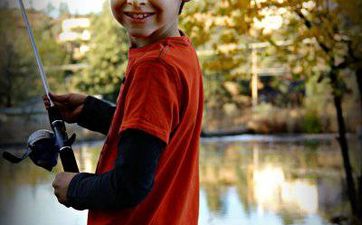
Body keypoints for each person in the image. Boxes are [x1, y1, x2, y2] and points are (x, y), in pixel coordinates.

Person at [43, 0, 203, 224]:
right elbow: (154, 136)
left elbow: (130, 184)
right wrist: (91, 111)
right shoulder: (177, 51)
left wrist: (75, 188)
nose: (137, 2)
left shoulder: (155, 68)